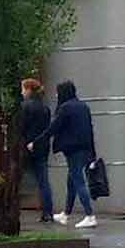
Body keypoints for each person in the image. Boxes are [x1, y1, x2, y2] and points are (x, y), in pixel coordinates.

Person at [29, 80, 98, 229]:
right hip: (85, 149)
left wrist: (36, 142)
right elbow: (90, 130)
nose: (56, 94)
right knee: (72, 181)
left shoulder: (65, 108)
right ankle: (66, 214)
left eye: (58, 92)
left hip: (73, 150)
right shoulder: (83, 106)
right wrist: (93, 153)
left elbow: (53, 128)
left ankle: (90, 215)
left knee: (78, 181)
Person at [20, 78, 54, 223]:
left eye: (22, 89)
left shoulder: (24, 107)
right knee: (43, 181)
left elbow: (21, 127)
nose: (21, 92)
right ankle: (48, 212)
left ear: (28, 90)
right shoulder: (44, 108)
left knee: (16, 178)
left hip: (27, 147)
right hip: (42, 147)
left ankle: (11, 210)